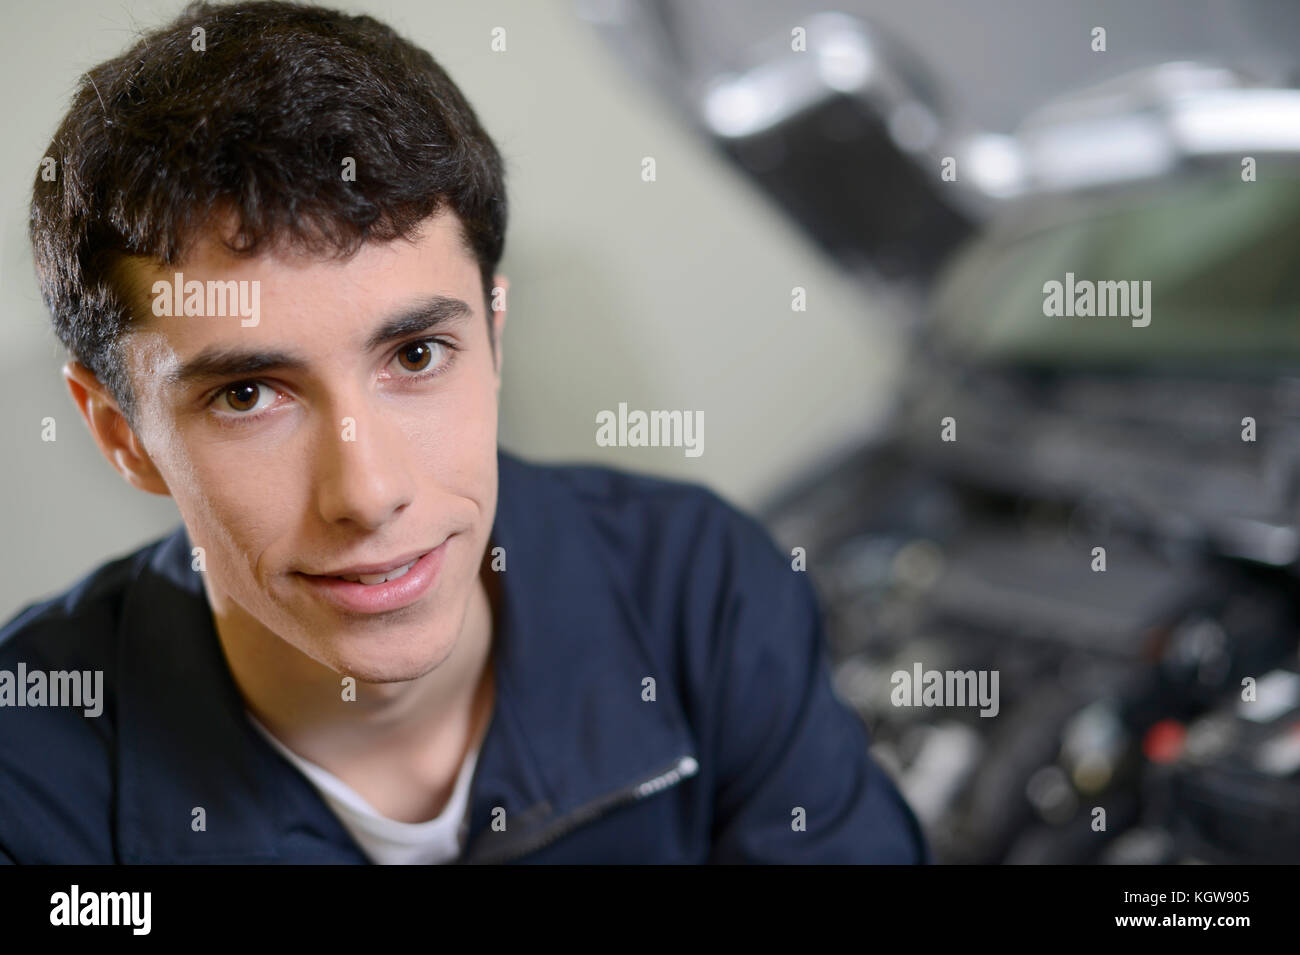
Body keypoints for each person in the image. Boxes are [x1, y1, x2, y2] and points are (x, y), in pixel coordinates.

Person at [0, 0, 930, 864]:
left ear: (494, 337)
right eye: (247, 394)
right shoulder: (25, 777)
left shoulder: (701, 590)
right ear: (121, 433)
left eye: (415, 355)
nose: (368, 493)